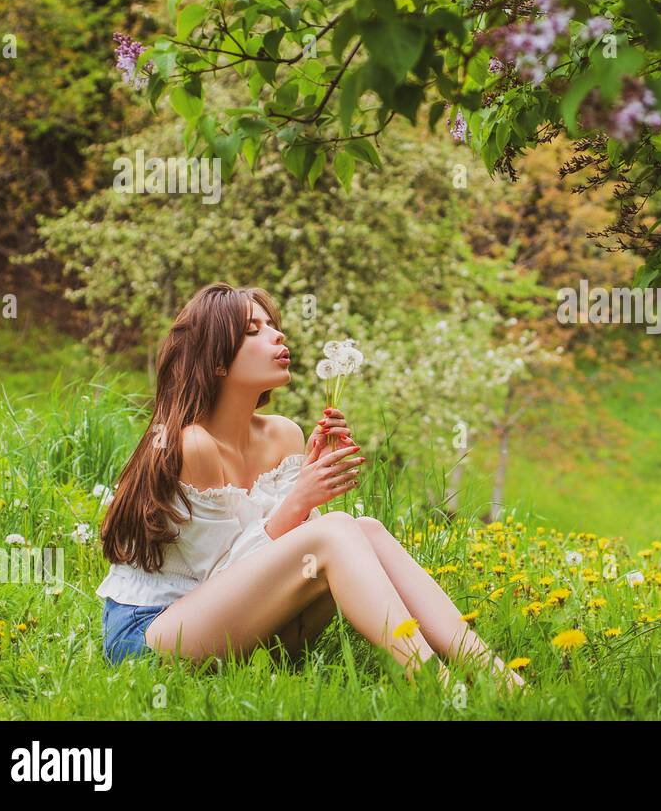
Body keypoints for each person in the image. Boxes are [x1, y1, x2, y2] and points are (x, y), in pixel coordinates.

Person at [95, 282, 525, 692]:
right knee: (338, 529)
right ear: (217, 362)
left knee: (366, 529)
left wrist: (308, 488)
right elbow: (221, 579)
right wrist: (300, 498)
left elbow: (294, 557)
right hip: (152, 634)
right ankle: (438, 686)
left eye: (272, 324)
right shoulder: (194, 445)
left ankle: (498, 678)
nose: (277, 334)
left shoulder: (282, 435)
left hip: (237, 627)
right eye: (253, 331)